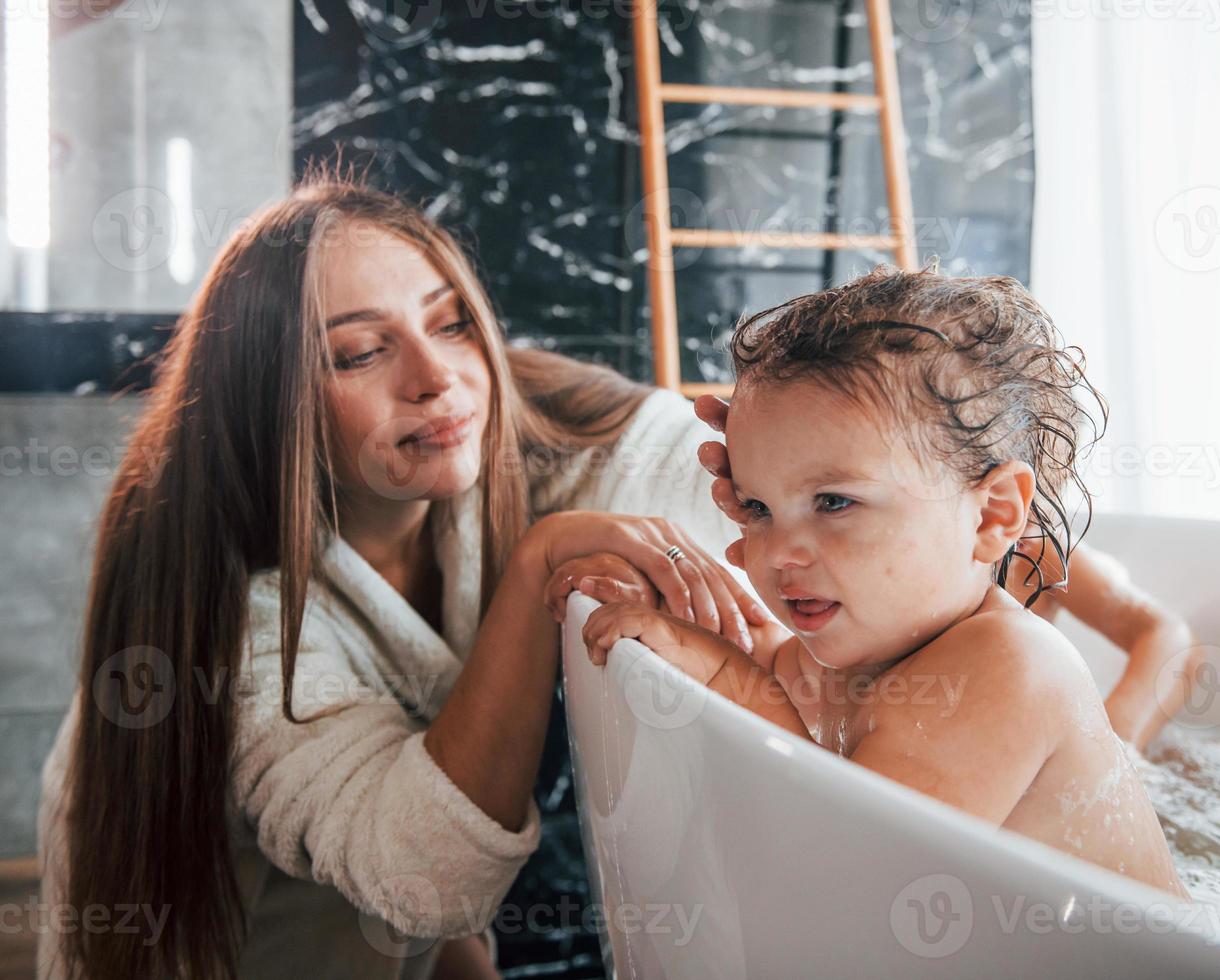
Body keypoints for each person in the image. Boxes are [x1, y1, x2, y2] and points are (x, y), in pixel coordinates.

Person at [36, 175, 766, 980]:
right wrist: (535, 569)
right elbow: (425, 879)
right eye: (359, 352)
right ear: (270, 403)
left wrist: (784, 461)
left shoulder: (496, 442)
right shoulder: (239, 629)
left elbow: (666, 459)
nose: (436, 375)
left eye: (451, 323)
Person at [571, 268, 1187, 896]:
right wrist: (686, 622)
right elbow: (761, 659)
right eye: (758, 507)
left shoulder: (1008, 668)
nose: (779, 551)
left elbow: (845, 891)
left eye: (834, 502)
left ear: (994, 514)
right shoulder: (870, 645)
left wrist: (733, 679)